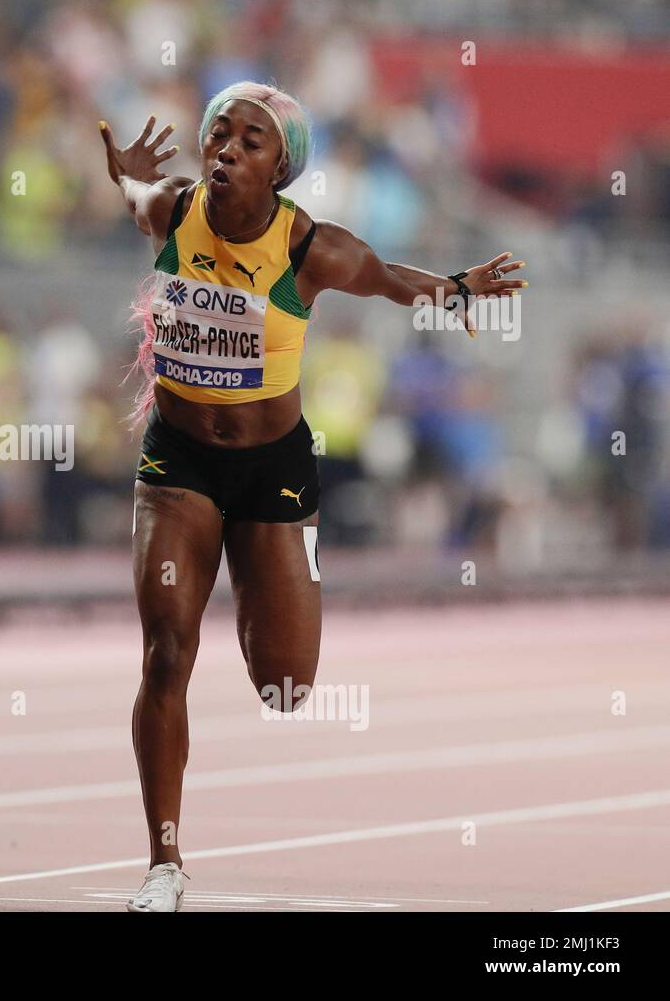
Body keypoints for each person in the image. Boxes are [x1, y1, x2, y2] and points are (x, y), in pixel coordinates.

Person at [98, 81, 526, 911]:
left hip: (274, 471)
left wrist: (458, 288)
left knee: (285, 684)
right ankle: (164, 862)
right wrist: (123, 172)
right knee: (164, 653)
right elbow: (136, 189)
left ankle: (272, 576)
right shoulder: (173, 211)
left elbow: (392, 281)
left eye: (249, 141)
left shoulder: (311, 251)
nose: (224, 148)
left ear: (281, 168)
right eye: (218, 133)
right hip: (177, 463)